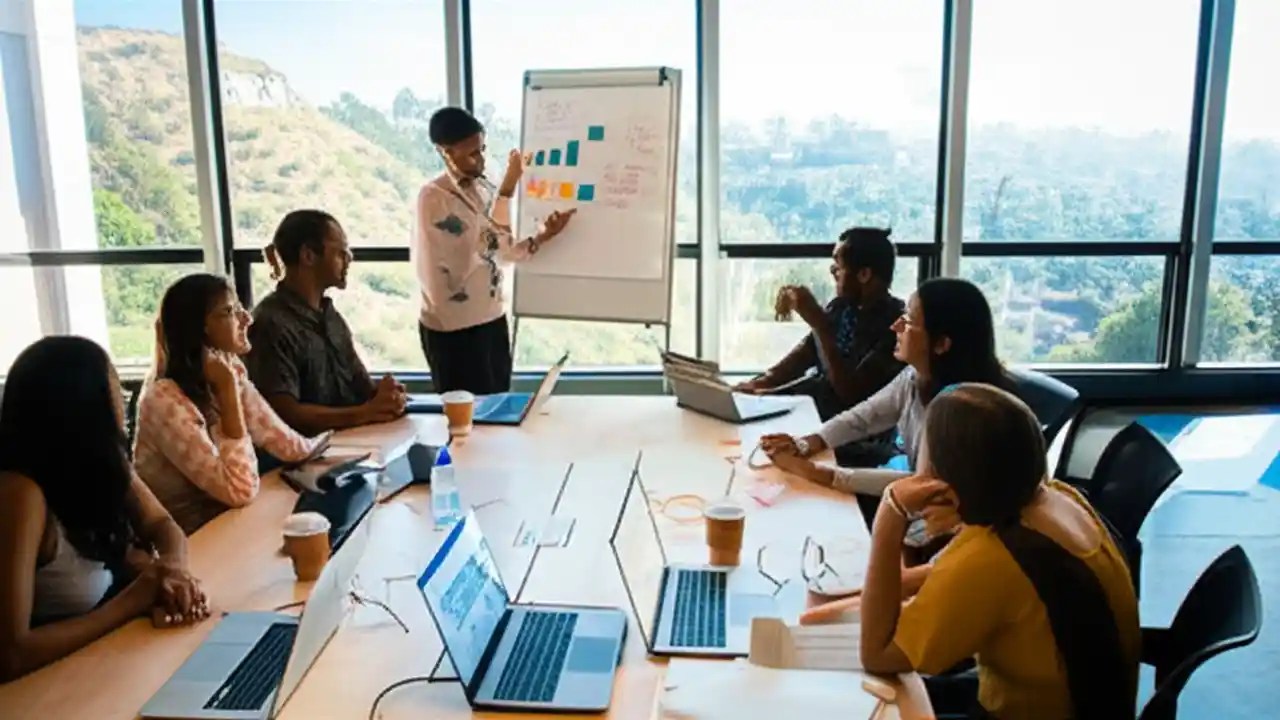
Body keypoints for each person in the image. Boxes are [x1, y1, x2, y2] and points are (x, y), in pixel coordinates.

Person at [859, 383, 1139, 719]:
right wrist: (892, 584)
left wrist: (889, 516)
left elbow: (878, 654)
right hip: (1091, 701)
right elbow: (986, 577)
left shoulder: (990, 556)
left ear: (944, 478)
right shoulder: (1057, 496)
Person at [0, 337, 208, 682]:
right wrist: (131, 602)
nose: (123, 407)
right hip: (48, 688)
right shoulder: (20, 494)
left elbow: (161, 523)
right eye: (114, 393)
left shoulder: (99, 461)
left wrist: (172, 570)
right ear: (81, 409)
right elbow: (12, 652)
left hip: (108, 664)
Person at [761, 278, 1014, 529]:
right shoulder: (916, 376)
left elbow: (921, 486)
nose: (896, 326)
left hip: (942, 526)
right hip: (912, 505)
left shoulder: (959, 410)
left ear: (941, 344)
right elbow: (865, 417)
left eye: (909, 321)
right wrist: (808, 442)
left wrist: (822, 474)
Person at [135, 274, 327, 534]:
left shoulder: (227, 367)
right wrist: (227, 390)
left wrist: (336, 450)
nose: (246, 318)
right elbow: (240, 490)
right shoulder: (164, 399)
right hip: (187, 537)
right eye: (229, 312)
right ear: (198, 328)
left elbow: (287, 444)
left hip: (223, 519)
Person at [413, 106, 576, 394]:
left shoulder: (481, 189)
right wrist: (508, 194)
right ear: (445, 152)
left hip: (491, 318)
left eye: (482, 150)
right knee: (467, 412)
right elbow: (486, 246)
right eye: (471, 153)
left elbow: (502, 246)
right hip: (453, 328)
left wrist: (542, 234)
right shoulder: (433, 197)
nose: (481, 160)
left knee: (499, 404)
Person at [246, 210, 406, 436]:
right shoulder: (270, 324)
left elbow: (360, 386)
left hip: (352, 440)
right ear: (308, 256)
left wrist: (386, 394)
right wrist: (364, 413)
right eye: (340, 252)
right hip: (308, 451)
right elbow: (283, 414)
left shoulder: (330, 317)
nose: (348, 259)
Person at [735, 227, 905, 420]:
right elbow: (806, 353)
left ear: (864, 274)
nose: (832, 271)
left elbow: (850, 394)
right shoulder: (842, 307)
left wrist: (819, 325)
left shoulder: (896, 328)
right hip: (811, 412)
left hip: (848, 428)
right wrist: (761, 383)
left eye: (838, 265)